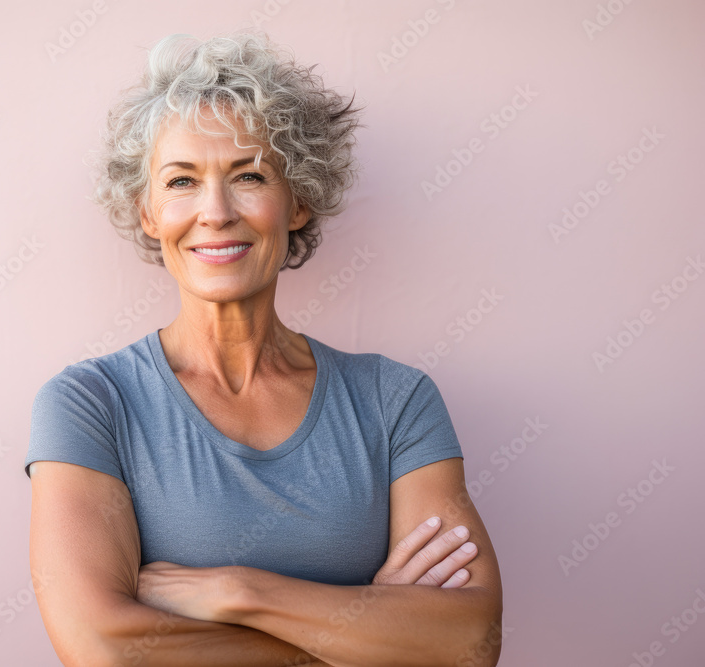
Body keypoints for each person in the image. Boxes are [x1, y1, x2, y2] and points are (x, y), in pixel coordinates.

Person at [25, 30, 502, 667]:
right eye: (181, 182)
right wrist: (356, 635)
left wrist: (239, 592)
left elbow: (469, 642)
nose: (215, 212)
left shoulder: (396, 401)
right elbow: (103, 647)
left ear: (298, 201)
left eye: (249, 175)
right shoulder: (90, 404)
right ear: (147, 212)